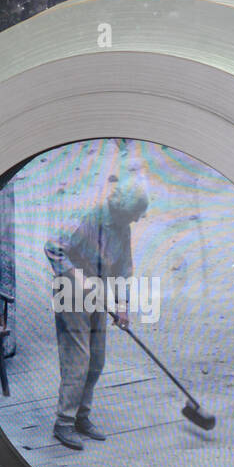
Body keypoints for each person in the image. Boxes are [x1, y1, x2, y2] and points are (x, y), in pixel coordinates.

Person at [44, 173, 148, 450]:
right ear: (122, 208)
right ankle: (63, 423)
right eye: (136, 213)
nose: (138, 220)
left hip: (98, 295)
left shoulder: (122, 226)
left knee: (97, 360)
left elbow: (124, 268)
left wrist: (123, 305)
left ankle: (82, 417)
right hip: (71, 294)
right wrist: (79, 280)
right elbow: (53, 247)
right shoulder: (87, 217)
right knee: (78, 361)